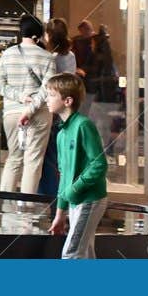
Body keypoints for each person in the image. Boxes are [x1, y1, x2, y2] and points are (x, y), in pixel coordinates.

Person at [45, 72, 108, 259]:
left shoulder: (83, 125)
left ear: (67, 101)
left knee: (71, 252)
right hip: (77, 200)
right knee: (85, 251)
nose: (47, 99)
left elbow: (99, 165)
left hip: (89, 199)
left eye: (51, 95)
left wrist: (74, 190)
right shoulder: (61, 134)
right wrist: (59, 214)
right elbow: (63, 174)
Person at [0, 15, 56, 196]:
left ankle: (4, 203)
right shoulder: (47, 57)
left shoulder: (7, 54)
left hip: (12, 114)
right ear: (38, 36)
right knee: (33, 161)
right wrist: (30, 109)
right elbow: (48, 89)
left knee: (13, 159)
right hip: (39, 115)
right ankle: (26, 208)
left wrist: (20, 97)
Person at [37, 20, 78, 197]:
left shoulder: (49, 57)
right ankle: (58, 191)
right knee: (58, 154)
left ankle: (48, 192)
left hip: (51, 109)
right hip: (65, 109)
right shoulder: (70, 56)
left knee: (47, 154)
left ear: (50, 35)